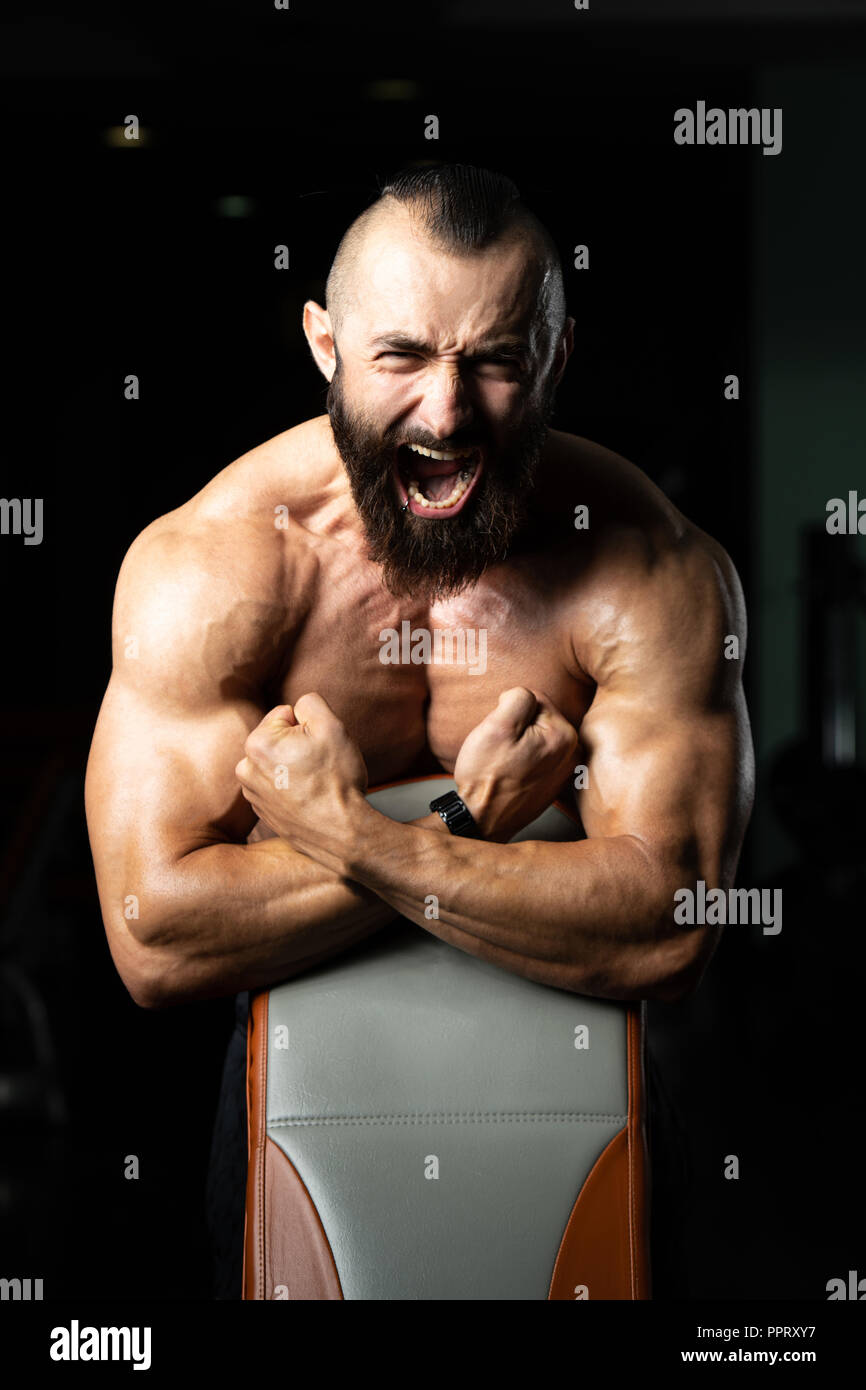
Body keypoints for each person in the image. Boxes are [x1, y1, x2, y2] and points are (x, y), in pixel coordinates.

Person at [85, 163, 753, 1298]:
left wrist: (366, 838)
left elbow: (669, 930)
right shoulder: (213, 568)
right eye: (400, 357)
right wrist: (477, 816)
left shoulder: (649, 570)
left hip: (603, 1110)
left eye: (494, 361)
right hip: (289, 1113)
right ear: (323, 346)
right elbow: (156, 939)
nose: (445, 415)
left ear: (554, 357)